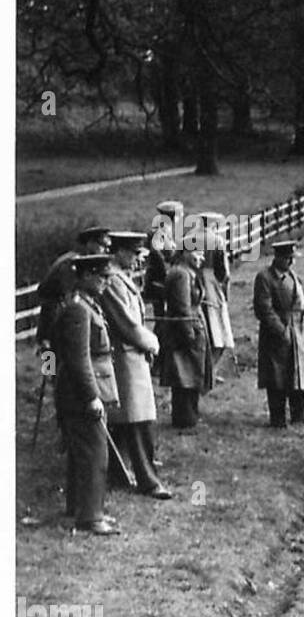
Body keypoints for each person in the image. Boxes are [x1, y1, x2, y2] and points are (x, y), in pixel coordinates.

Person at [98, 231, 172, 500]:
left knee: (127, 420)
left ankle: (117, 473)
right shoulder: (113, 281)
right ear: (118, 252)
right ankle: (148, 481)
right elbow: (127, 324)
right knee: (139, 420)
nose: (137, 259)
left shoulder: (120, 278)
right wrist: (152, 342)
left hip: (131, 356)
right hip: (126, 356)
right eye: (132, 253)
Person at [51, 253, 120, 535]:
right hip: (78, 393)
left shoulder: (87, 305)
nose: (107, 282)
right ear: (88, 276)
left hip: (77, 390)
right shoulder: (79, 310)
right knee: (94, 453)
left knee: (84, 452)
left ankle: (80, 509)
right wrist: (92, 396)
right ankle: (91, 518)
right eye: (102, 277)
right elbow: (79, 359)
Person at [253, 240, 304, 428]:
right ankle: (278, 418)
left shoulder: (292, 276)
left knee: (298, 373)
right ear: (278, 257)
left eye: (292, 258)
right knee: (277, 376)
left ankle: (300, 414)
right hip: (278, 333)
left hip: (297, 331)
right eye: (288, 258)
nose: (291, 262)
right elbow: (263, 309)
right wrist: (281, 331)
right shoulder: (265, 277)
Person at [157, 242, 213, 430]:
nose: (201, 258)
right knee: (184, 375)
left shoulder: (185, 272)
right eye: (198, 253)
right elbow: (182, 308)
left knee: (192, 373)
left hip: (191, 326)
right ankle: (184, 419)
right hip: (182, 331)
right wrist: (189, 335)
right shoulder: (181, 274)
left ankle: (190, 416)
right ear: (186, 252)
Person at [35, 227, 112, 349]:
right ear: (90, 243)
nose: (106, 250)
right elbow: (68, 295)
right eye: (102, 245)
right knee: (50, 360)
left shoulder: (77, 260)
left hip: (56, 314)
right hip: (52, 317)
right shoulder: (71, 263)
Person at [195, 211, 234, 379]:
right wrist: (225, 289)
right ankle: (209, 372)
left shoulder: (189, 239)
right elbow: (223, 272)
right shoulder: (217, 240)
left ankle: (202, 370)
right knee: (217, 331)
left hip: (193, 281)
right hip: (211, 284)